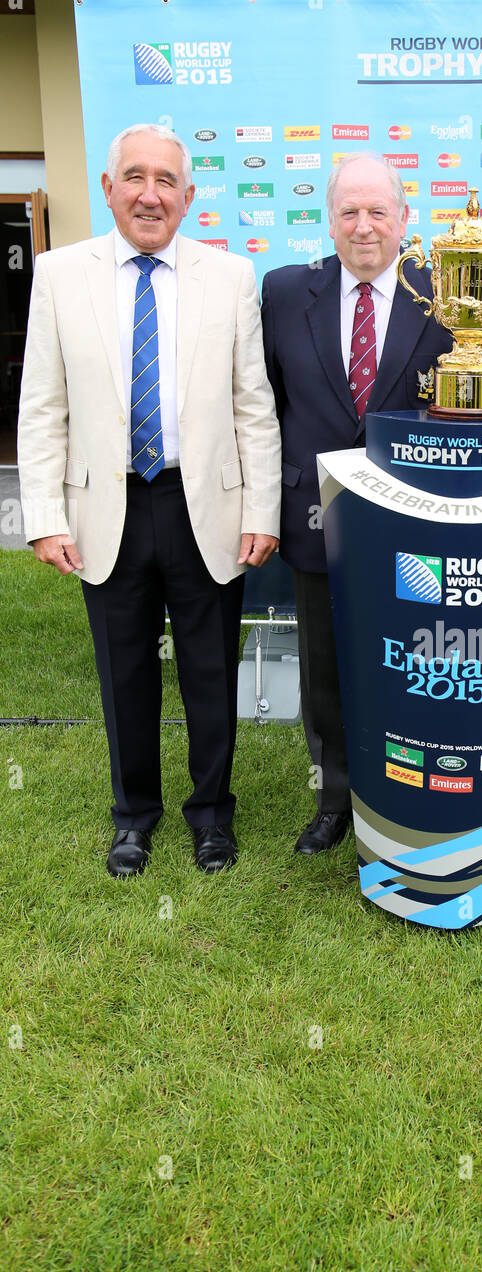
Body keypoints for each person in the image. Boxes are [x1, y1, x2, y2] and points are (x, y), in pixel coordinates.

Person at [17, 124, 281, 878]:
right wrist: (44, 515)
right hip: (108, 506)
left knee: (209, 670)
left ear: (188, 197)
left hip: (203, 505)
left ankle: (211, 817)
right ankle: (133, 816)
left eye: (166, 181)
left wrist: (262, 509)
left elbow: (251, 405)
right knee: (122, 669)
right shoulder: (59, 275)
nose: (150, 194)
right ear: (108, 189)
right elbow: (42, 408)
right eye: (134, 177)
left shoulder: (230, 278)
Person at [262, 153, 450, 858]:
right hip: (317, 521)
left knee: (414, 664)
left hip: (421, 533)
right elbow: (269, 404)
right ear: (330, 219)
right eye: (350, 212)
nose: (364, 226)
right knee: (325, 665)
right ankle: (334, 796)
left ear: (405, 218)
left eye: (379, 211)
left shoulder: (447, 294)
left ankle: (410, 790)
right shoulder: (285, 293)